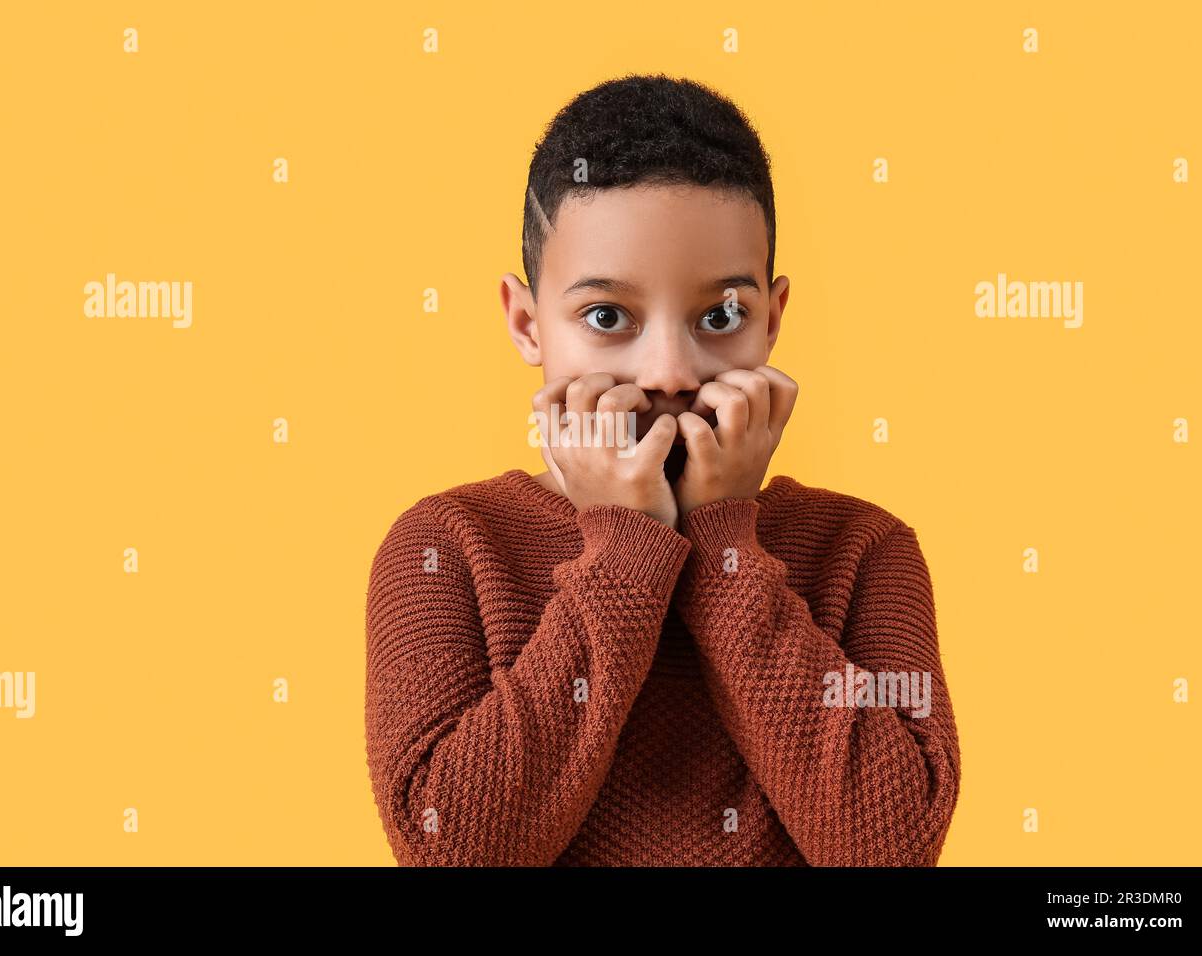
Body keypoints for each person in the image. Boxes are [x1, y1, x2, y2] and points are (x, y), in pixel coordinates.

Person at [365, 73, 961, 866]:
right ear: (526, 323)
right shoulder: (443, 547)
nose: (672, 370)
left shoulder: (866, 549)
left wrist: (726, 549)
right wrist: (624, 550)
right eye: (608, 317)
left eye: (721, 316)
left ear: (773, 319)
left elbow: (891, 848)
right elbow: (454, 850)